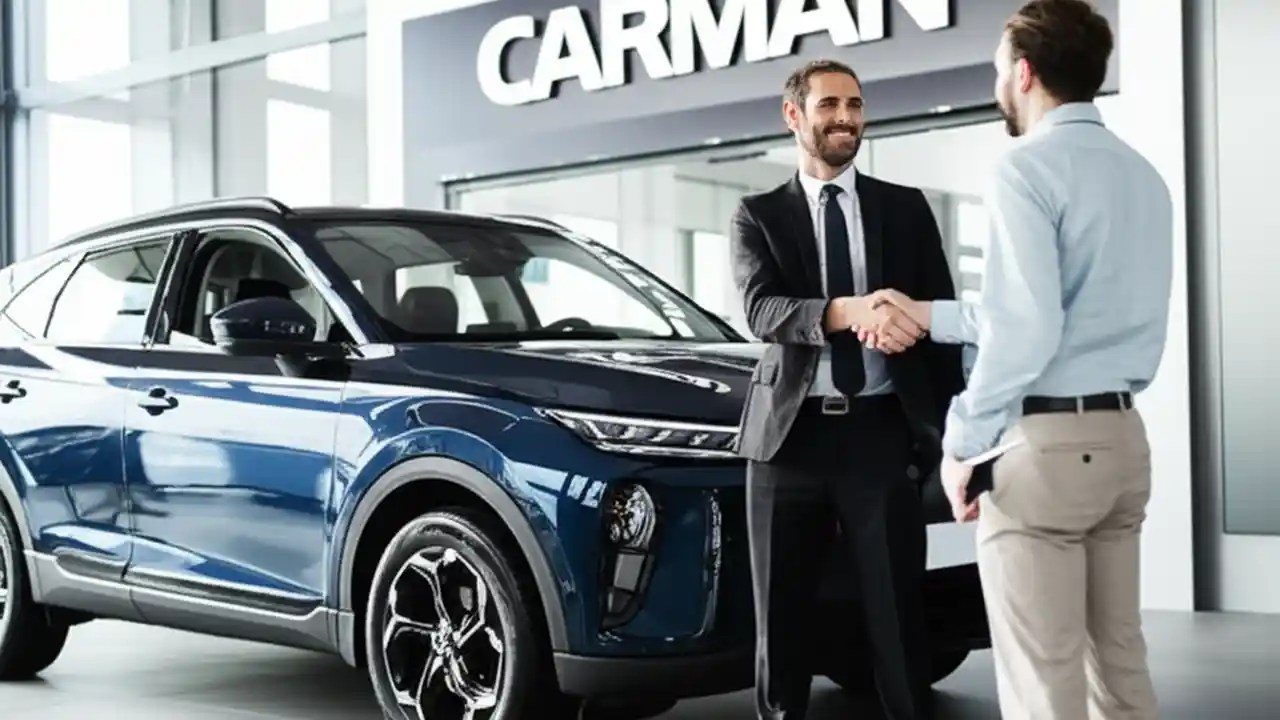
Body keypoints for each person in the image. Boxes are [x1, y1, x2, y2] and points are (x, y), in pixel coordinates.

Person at [861, 1, 1172, 717]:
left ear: (1024, 73)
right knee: (1120, 670)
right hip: (1123, 442)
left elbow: (1026, 328)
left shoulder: (1024, 169)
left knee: (1043, 687)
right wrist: (933, 316)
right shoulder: (1142, 175)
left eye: (999, 69)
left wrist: (964, 443)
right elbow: (1058, 309)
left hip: (1046, 454)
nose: (997, 81)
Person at [730, 58, 965, 720]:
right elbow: (763, 311)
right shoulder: (758, 214)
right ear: (794, 114)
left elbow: (938, 312)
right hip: (788, 440)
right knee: (781, 621)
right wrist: (851, 311)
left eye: (856, 105)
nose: (846, 118)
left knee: (898, 612)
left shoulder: (904, 207)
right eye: (830, 104)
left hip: (879, 433)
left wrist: (951, 434)